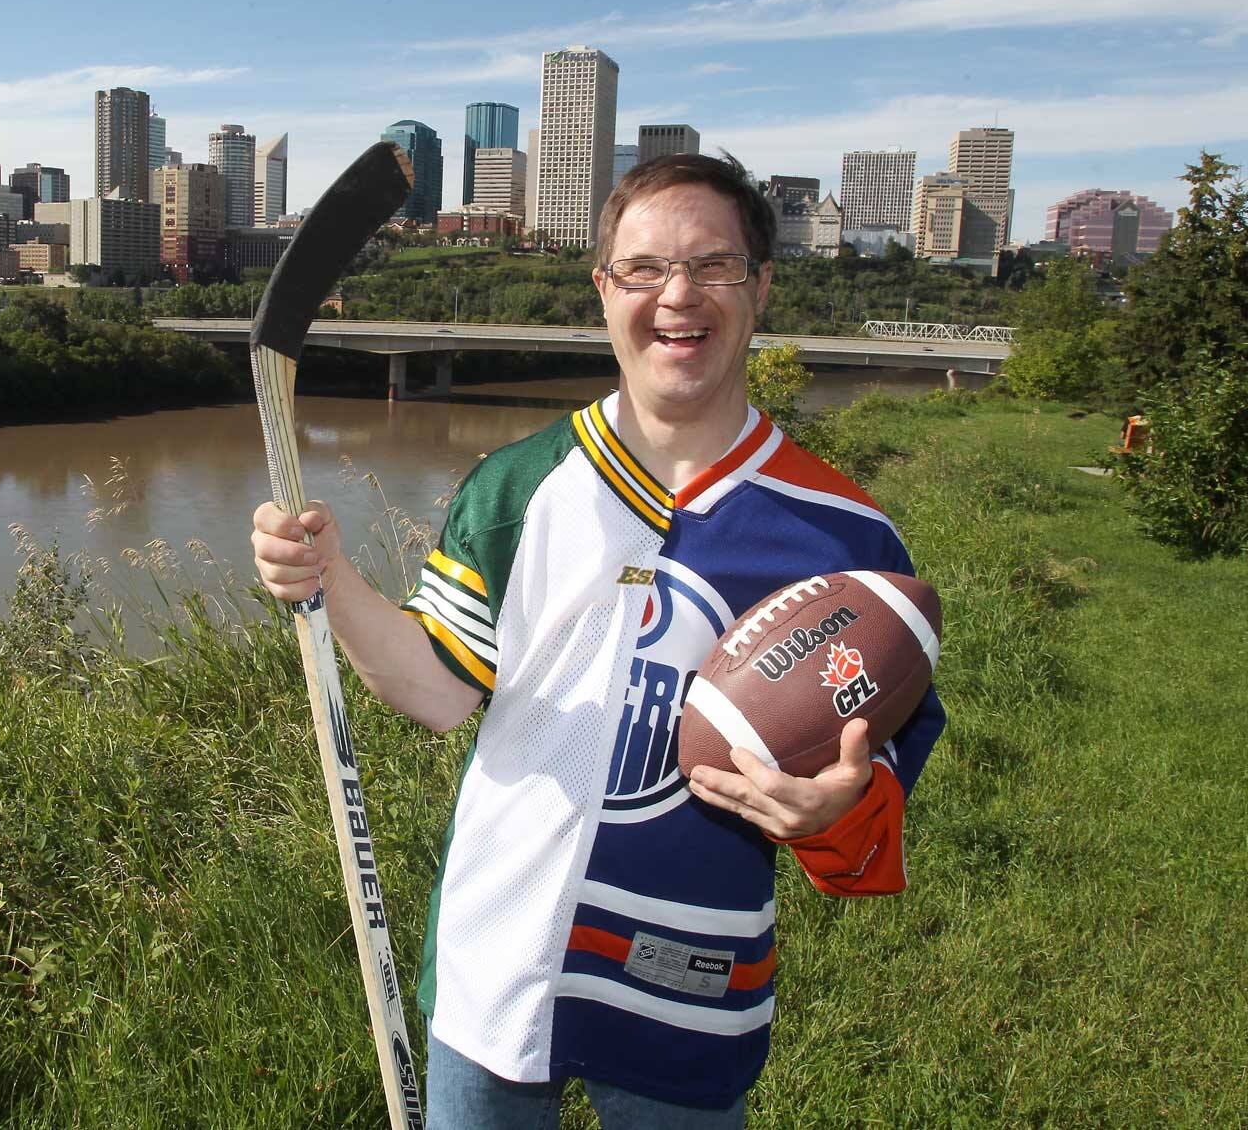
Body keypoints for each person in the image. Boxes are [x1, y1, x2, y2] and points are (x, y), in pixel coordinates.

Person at [252, 154, 945, 1128]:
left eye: (712, 265)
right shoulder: (517, 486)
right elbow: (437, 689)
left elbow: (871, 789)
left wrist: (830, 808)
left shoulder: (845, 538)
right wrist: (328, 577)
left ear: (759, 287)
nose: (677, 295)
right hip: (499, 964)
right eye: (643, 268)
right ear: (603, 289)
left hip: (690, 981)